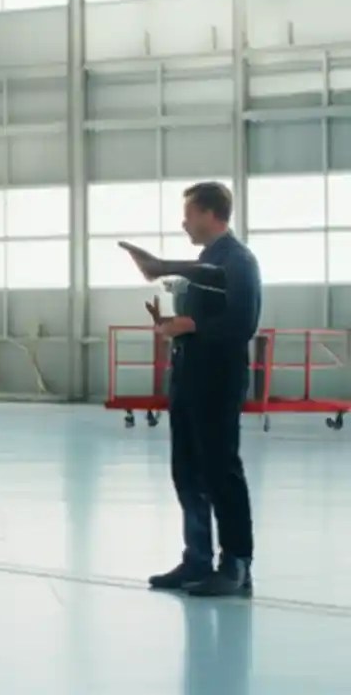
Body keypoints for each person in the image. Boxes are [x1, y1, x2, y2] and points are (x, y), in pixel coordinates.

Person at [120, 181, 260, 597]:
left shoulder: (238, 261)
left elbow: (242, 322)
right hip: (187, 377)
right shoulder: (205, 264)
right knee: (187, 471)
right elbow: (198, 316)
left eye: (190, 214)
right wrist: (171, 327)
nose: (184, 222)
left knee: (221, 471)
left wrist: (192, 324)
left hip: (218, 380)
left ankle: (235, 565)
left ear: (210, 214)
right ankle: (196, 558)